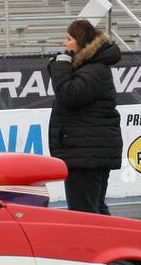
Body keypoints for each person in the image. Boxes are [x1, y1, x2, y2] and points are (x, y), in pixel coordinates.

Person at [47, 19, 122, 214]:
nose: (65, 43)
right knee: (94, 209)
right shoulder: (91, 67)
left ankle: (96, 245)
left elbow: (69, 95)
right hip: (87, 152)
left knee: (84, 213)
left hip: (86, 155)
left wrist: (61, 66)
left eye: (69, 39)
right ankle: (108, 244)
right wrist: (59, 65)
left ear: (81, 44)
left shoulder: (94, 70)